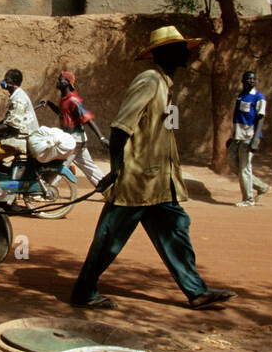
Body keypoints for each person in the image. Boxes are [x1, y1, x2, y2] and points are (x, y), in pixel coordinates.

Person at [70, 26, 235, 311]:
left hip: (158, 183)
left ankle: (196, 291)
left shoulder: (165, 84)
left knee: (176, 232)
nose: (188, 52)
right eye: (182, 48)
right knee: (109, 239)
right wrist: (118, 171)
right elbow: (120, 128)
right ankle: (84, 291)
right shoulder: (149, 80)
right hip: (136, 181)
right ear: (167, 53)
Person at [38, 71, 109, 187]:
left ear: (67, 83)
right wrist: (49, 103)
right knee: (88, 166)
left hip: (74, 140)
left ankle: (47, 190)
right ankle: (108, 188)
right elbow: (62, 113)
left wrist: (101, 137)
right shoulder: (64, 99)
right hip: (76, 140)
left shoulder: (73, 101)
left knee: (61, 164)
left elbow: (89, 119)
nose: (58, 82)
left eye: (61, 79)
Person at [227, 70, 269, 208]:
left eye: (253, 79)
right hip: (237, 137)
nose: (251, 81)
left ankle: (248, 199)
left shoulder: (259, 98)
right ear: (243, 81)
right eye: (248, 79)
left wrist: (256, 139)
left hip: (248, 137)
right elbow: (237, 118)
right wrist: (231, 137)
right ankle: (261, 186)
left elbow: (260, 119)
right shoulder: (239, 96)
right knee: (233, 164)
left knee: (244, 169)